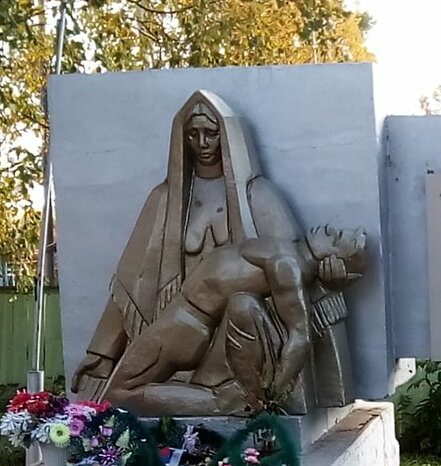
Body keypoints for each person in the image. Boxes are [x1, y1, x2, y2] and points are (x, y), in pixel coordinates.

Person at [71, 90, 356, 414]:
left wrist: (333, 278)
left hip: (234, 332)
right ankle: (224, 402)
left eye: (211, 133)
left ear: (228, 135)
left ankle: (230, 402)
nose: (203, 143)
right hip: (179, 321)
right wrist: (103, 352)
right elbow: (131, 279)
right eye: (193, 134)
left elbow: (297, 278)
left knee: (241, 308)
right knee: (122, 393)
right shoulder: (164, 200)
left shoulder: (258, 196)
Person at [104, 226, 365, 414]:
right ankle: (221, 401)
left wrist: (272, 393)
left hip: (185, 325)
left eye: (336, 238)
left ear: (333, 259)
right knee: (117, 395)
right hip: (182, 320)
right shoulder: (284, 249)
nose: (330, 228)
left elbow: (300, 335)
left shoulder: (287, 264)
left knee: (118, 396)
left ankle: (223, 402)